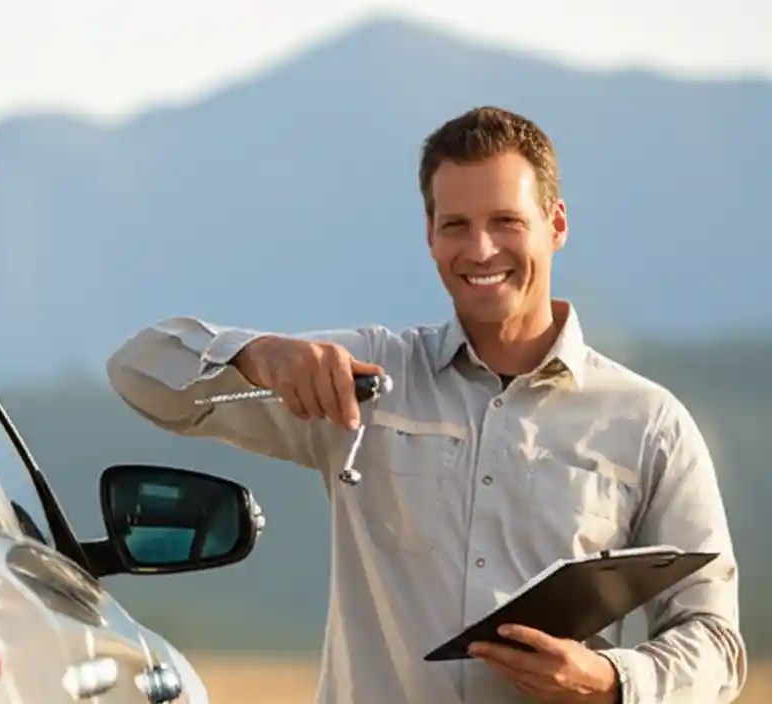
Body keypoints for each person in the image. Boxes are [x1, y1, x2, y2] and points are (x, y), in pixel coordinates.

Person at [105, 106, 745, 703]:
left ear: (556, 225)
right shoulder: (360, 382)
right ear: (430, 237)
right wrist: (257, 354)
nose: (481, 250)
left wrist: (609, 679)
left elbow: (715, 641)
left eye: (506, 222)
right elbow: (139, 373)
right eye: (456, 226)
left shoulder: (648, 424)